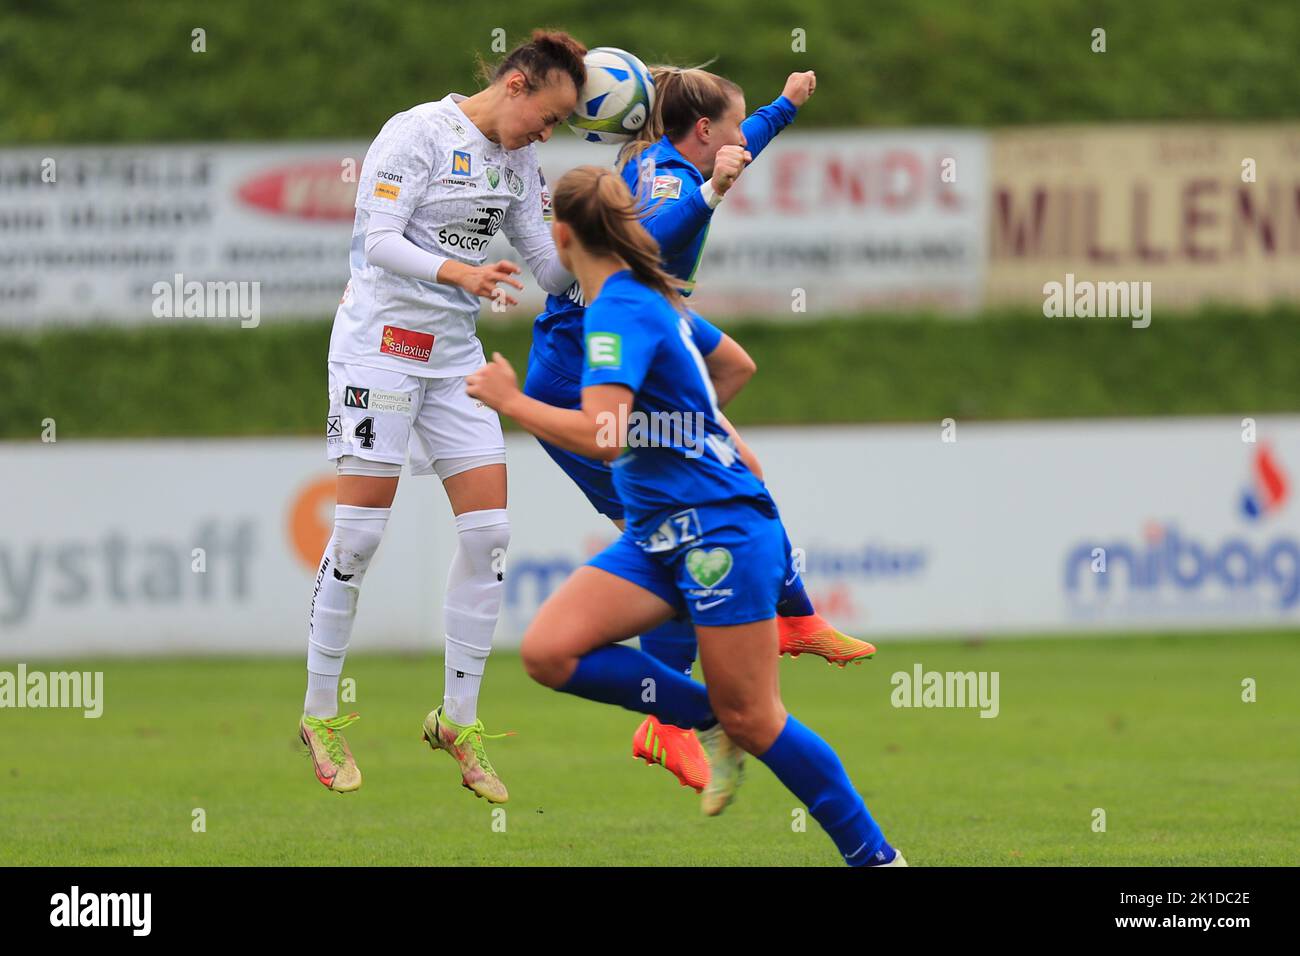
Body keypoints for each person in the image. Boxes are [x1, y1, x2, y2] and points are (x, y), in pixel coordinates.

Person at [467, 165, 905, 866]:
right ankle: (705, 717)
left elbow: (605, 434)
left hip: (719, 530)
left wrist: (510, 401)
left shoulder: (616, 308)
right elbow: (735, 367)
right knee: (550, 652)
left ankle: (876, 858)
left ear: (559, 235)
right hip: (657, 535)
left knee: (758, 717)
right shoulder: (651, 296)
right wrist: (691, 429)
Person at [523, 66, 876, 805]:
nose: (743, 138)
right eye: (735, 125)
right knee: (677, 526)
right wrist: (713, 192)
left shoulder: (692, 152)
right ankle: (676, 716)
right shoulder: (660, 177)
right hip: (582, 360)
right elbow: (638, 243)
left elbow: (742, 141)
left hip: (653, 335)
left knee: (732, 460)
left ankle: (795, 619)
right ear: (701, 132)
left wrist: (788, 104)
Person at [298, 30, 586, 803]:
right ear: (518, 83)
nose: (546, 135)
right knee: (358, 534)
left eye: (560, 127)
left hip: (454, 358)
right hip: (379, 351)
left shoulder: (521, 166)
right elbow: (378, 241)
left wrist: (612, 242)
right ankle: (320, 714)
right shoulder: (416, 132)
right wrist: (461, 269)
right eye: (549, 116)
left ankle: (458, 721)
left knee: (490, 536)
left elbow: (552, 271)